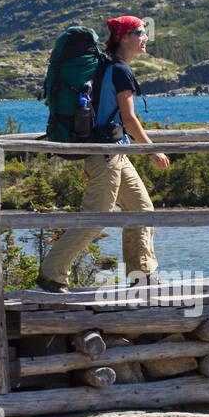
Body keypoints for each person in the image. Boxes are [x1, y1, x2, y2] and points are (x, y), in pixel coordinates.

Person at [37, 15, 170, 292]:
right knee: (97, 217)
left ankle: (142, 275)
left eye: (144, 32)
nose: (145, 37)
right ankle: (53, 273)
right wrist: (153, 151)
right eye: (140, 32)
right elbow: (130, 119)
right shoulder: (119, 70)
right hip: (105, 153)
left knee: (141, 209)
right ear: (124, 37)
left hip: (114, 152)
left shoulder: (109, 65)